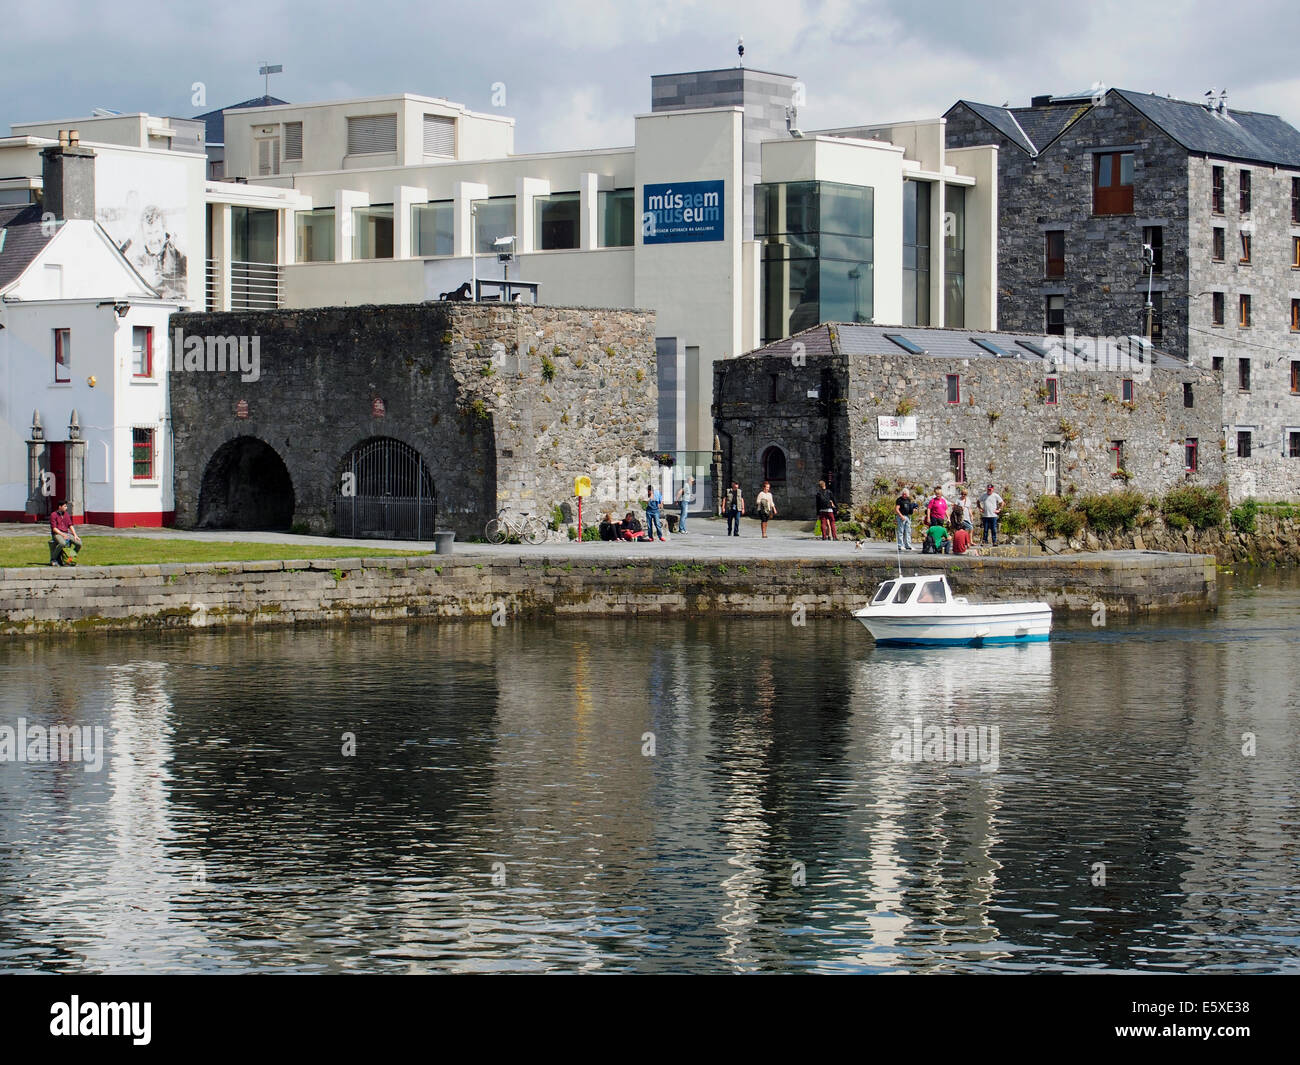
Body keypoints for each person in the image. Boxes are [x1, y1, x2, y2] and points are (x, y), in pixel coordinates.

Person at [49, 501, 82, 566]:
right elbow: (54, 528)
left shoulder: (66, 514)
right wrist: (62, 534)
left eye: (66, 506)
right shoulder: (53, 515)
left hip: (66, 533)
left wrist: (75, 535)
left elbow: (70, 525)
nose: (66, 508)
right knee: (62, 543)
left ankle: (69, 559)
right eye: (65, 506)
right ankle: (53, 559)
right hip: (57, 534)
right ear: (60, 507)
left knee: (79, 544)